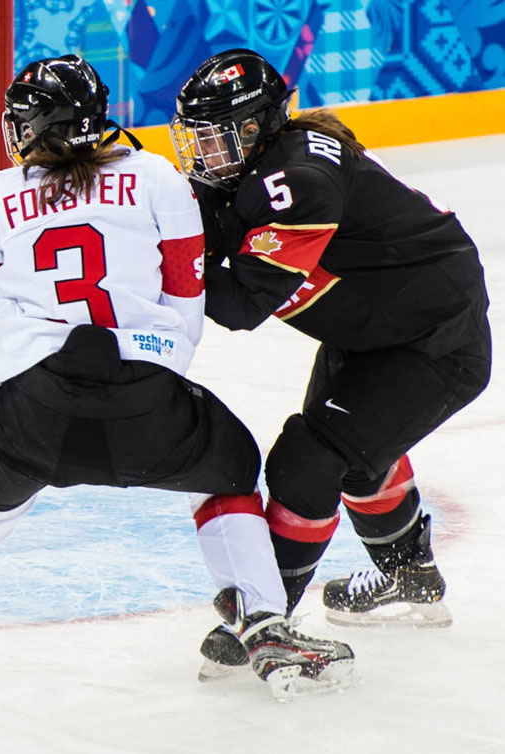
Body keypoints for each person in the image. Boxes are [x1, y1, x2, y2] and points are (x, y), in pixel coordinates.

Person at [0, 55, 356, 700]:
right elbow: (185, 305)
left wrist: (13, 393)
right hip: (143, 394)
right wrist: (145, 373)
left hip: (30, 400)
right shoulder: (157, 177)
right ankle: (265, 623)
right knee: (230, 466)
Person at [170, 49, 490, 658]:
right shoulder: (249, 172)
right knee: (359, 453)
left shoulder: (298, 184)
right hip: (375, 329)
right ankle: (408, 577)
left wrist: (164, 262)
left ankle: (266, 615)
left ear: (258, 127)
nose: (203, 156)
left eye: (218, 138)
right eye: (198, 139)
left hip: (434, 341)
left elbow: (239, 305)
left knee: (307, 461)